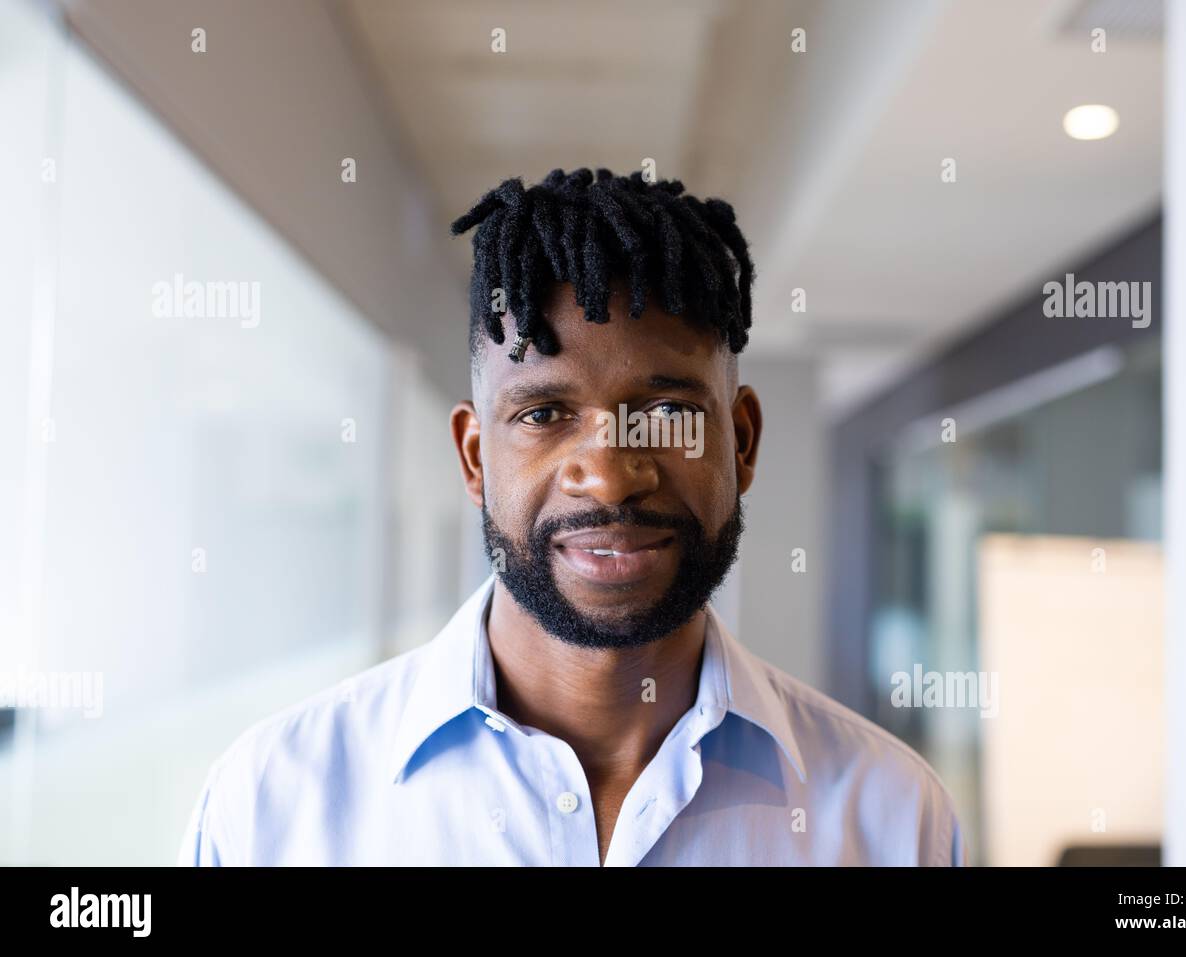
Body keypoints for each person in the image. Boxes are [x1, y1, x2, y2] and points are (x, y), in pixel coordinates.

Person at [177, 167, 966, 866]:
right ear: (475, 457)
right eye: (546, 410)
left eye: (665, 410)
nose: (610, 475)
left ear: (743, 440)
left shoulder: (894, 820)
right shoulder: (271, 808)